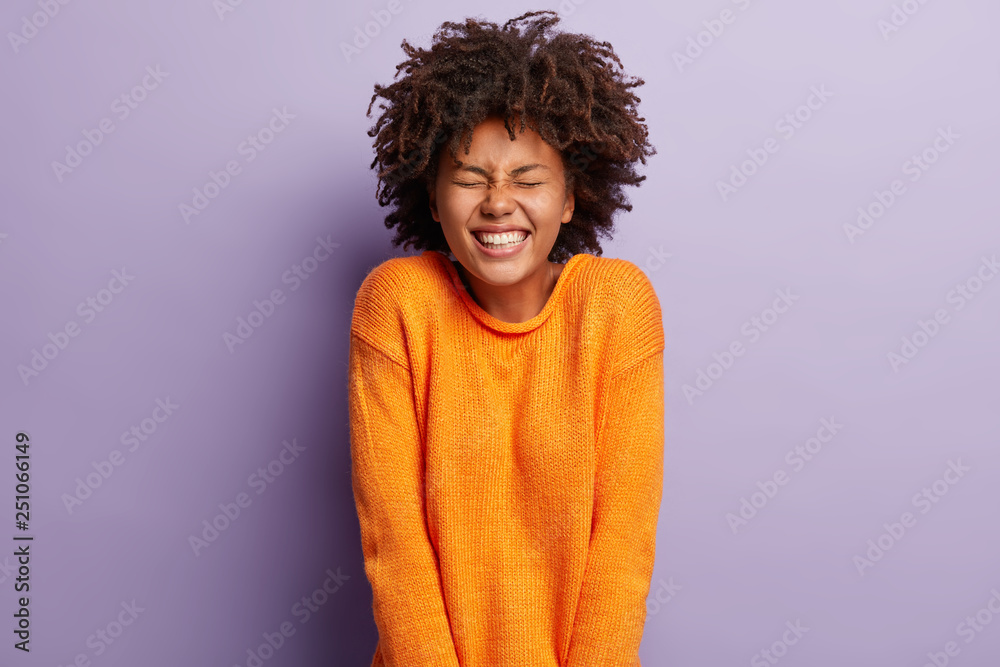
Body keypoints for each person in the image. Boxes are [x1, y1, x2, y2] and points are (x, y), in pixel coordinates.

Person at [348, 10, 663, 666]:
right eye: (469, 179)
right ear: (433, 198)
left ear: (571, 198)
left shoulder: (617, 308)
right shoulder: (396, 306)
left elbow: (622, 553)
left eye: (528, 180)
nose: (497, 202)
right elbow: (396, 547)